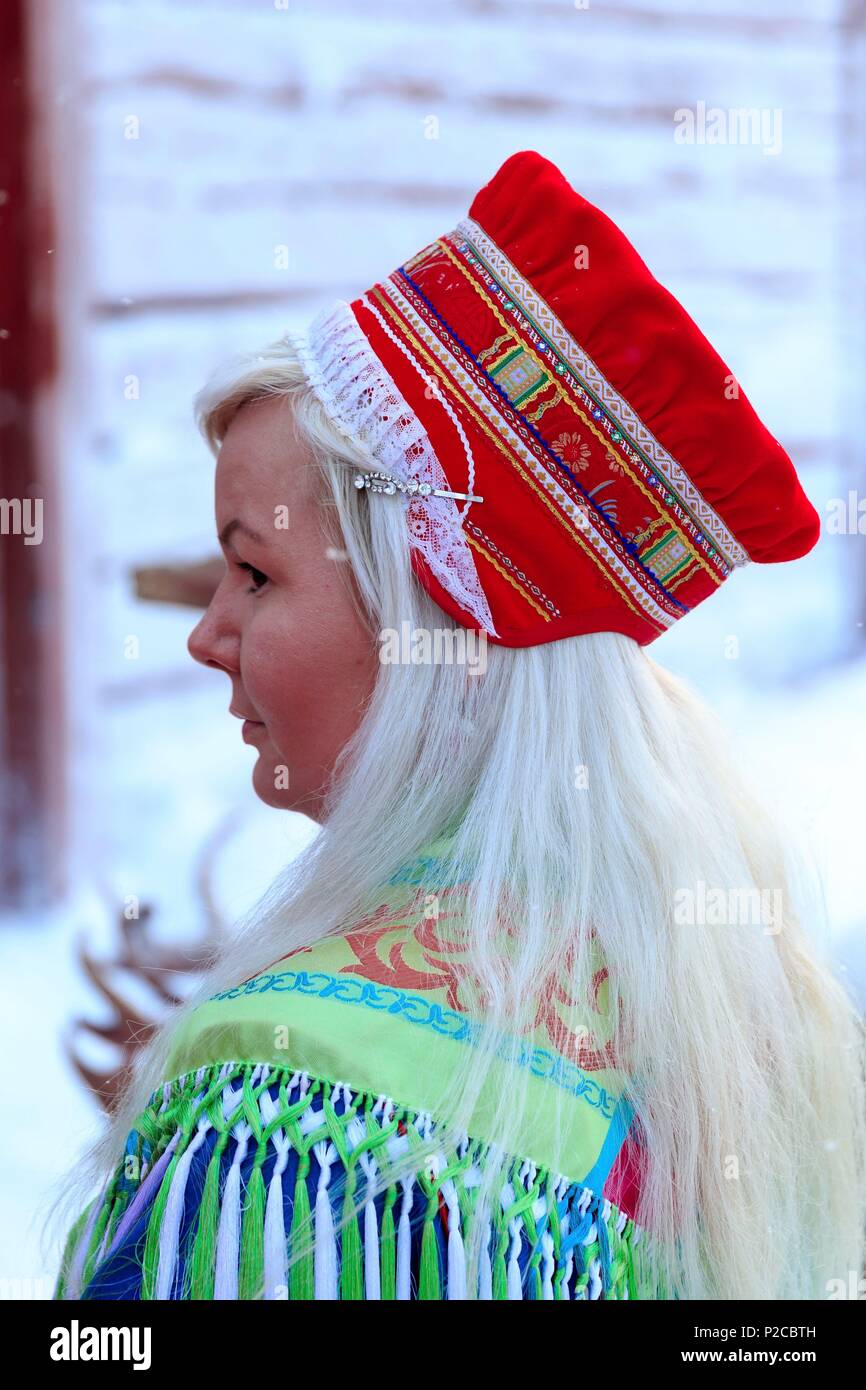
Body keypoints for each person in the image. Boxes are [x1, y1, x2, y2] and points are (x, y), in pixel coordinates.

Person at [47, 151, 866, 1300]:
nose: (207, 633)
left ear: (435, 624)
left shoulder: (277, 1101)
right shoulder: (724, 995)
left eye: (254, 575)